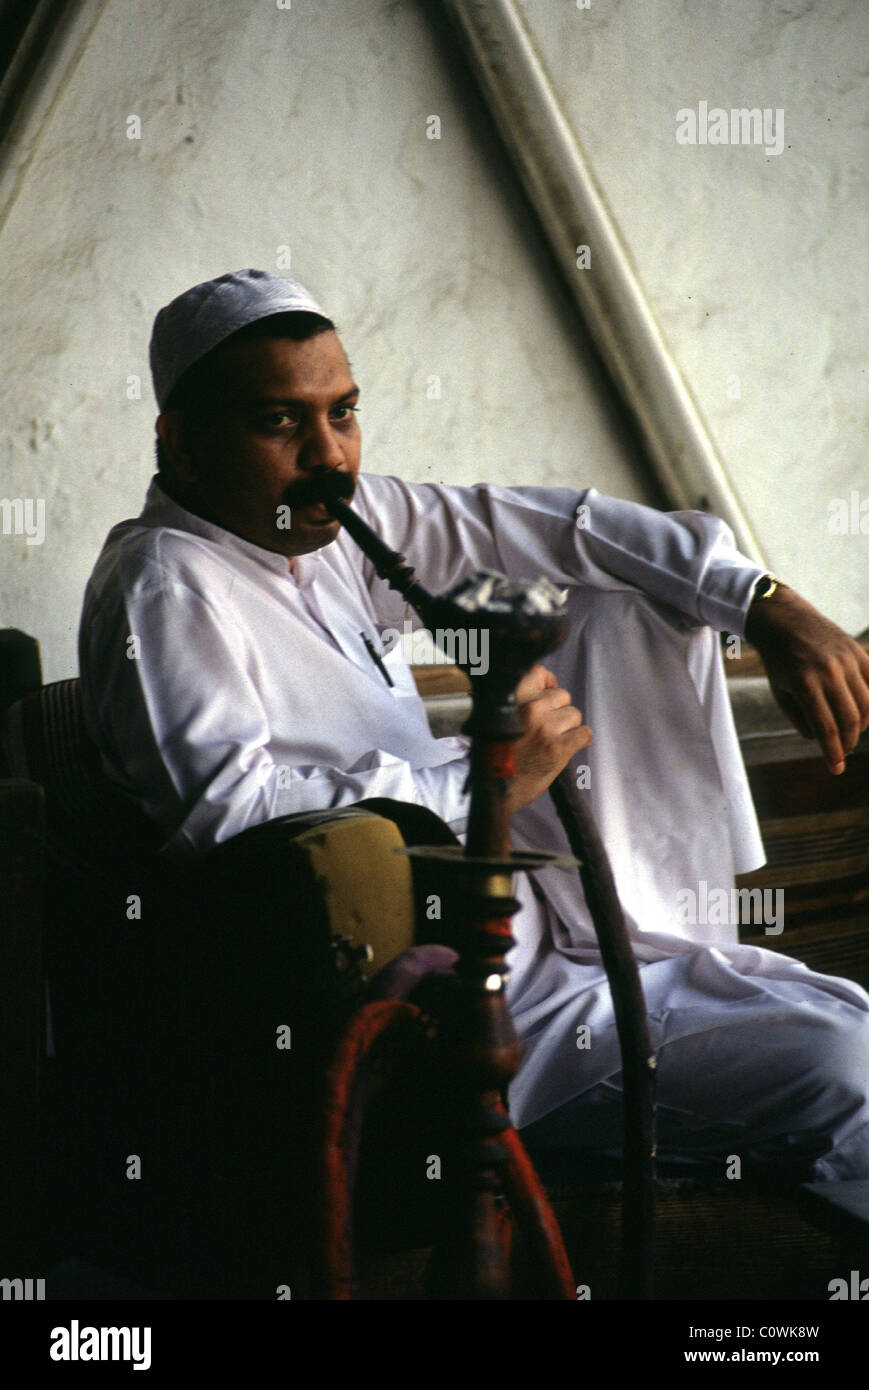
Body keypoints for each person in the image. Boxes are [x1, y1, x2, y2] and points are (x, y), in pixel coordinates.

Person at [79, 269, 869, 1182]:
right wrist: (488, 778)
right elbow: (228, 825)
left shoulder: (324, 532)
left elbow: (555, 529)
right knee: (839, 1069)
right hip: (431, 1018)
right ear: (180, 443)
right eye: (278, 421)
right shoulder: (168, 581)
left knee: (620, 599)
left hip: (540, 954)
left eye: (343, 412)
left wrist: (759, 602)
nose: (329, 453)